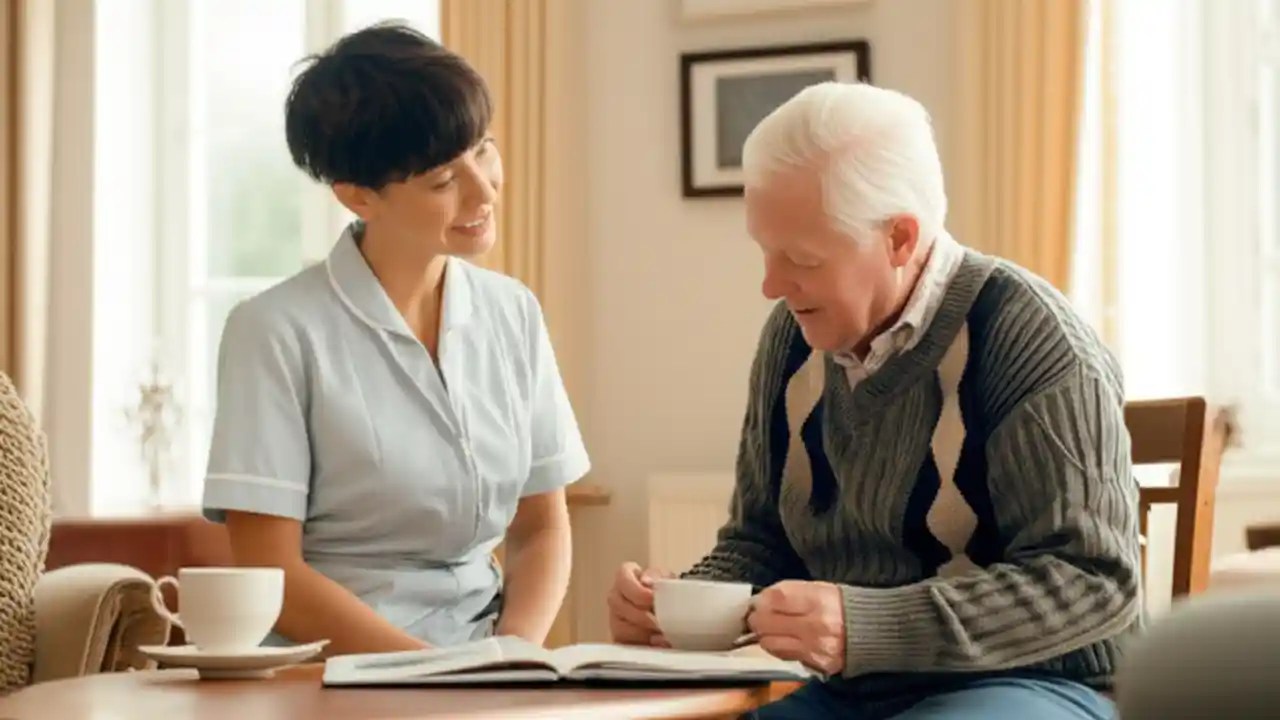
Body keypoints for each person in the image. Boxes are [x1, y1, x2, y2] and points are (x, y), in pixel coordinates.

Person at [607, 82, 1141, 719]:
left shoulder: (1027, 336)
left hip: (1043, 688)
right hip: (859, 696)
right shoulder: (793, 340)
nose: (771, 284)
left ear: (899, 239)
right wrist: (678, 607)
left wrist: (866, 625)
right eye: (765, 251)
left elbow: (1093, 580)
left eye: (801, 258)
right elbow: (762, 541)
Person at [202, 22, 589, 656]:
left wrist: (512, 660)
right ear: (359, 196)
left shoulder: (512, 312)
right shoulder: (274, 331)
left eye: (484, 150)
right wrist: (435, 676)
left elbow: (541, 527)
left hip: (487, 668)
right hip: (333, 672)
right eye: (443, 180)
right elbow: (272, 572)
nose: (484, 190)